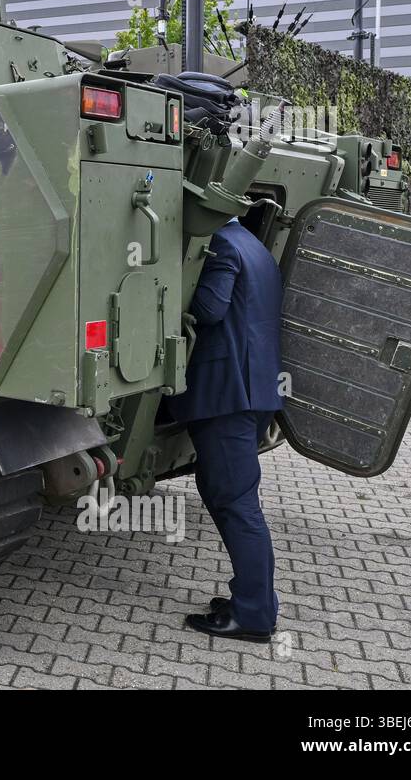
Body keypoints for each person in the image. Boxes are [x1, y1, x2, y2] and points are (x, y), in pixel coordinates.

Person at [166, 217, 285, 643]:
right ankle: (251, 600)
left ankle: (254, 614)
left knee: (236, 502)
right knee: (230, 495)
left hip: (227, 393)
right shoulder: (253, 243)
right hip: (253, 391)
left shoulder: (218, 241)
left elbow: (209, 309)